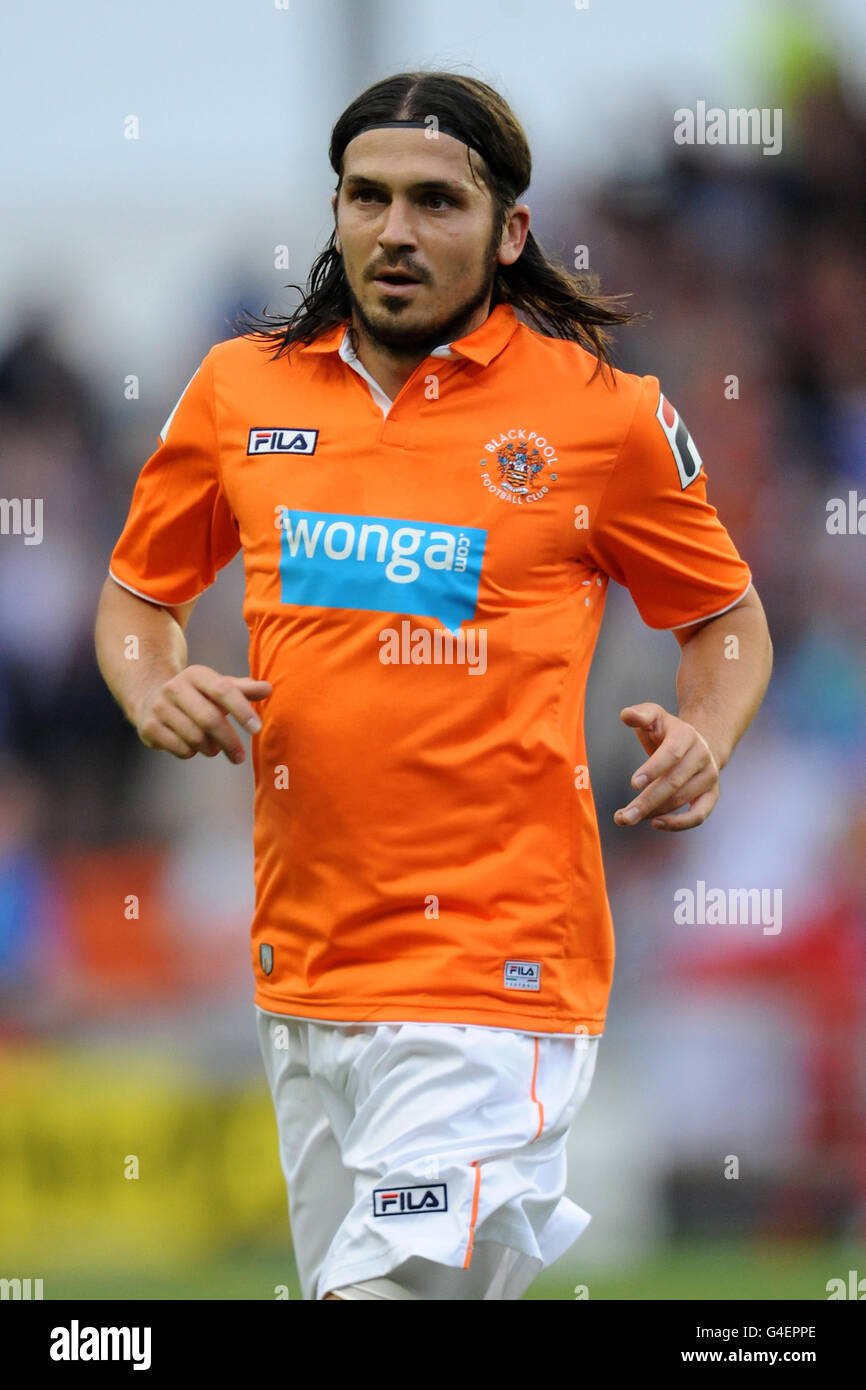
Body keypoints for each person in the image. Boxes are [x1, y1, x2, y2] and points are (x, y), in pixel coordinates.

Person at [93, 70, 773, 1301]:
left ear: (508, 230)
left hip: (494, 974)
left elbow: (724, 621)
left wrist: (707, 736)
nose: (393, 231)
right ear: (336, 209)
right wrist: (153, 687)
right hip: (305, 973)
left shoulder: (600, 417)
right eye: (366, 197)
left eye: (433, 202)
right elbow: (139, 597)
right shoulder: (240, 392)